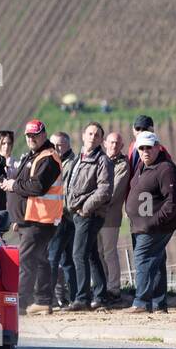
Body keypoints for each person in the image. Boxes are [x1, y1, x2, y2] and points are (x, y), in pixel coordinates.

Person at [0, 120, 63, 314]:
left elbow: (37, 186)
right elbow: (25, 182)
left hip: (41, 220)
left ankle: (19, 304)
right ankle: (43, 300)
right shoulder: (33, 156)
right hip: (31, 219)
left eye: (35, 135)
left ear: (44, 135)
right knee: (40, 259)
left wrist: (13, 186)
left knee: (26, 261)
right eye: (28, 136)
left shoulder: (48, 158)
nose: (31, 139)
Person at [124, 132, 176, 314]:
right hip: (142, 225)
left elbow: (172, 202)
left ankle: (141, 302)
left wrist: (152, 222)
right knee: (156, 262)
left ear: (158, 147)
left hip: (156, 226)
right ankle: (159, 304)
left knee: (142, 258)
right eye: (141, 148)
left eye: (149, 147)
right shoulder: (143, 166)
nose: (145, 151)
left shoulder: (166, 169)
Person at [64, 122, 112, 311]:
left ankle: (82, 299)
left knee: (78, 254)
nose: (93, 137)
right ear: (83, 135)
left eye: (97, 135)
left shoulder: (102, 160)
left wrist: (85, 208)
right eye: (90, 133)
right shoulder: (79, 158)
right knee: (91, 254)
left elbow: (105, 190)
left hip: (89, 214)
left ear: (101, 139)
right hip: (76, 213)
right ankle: (100, 296)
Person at [97, 131, 131, 306]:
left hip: (110, 217)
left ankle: (114, 289)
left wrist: (92, 200)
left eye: (117, 143)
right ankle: (101, 286)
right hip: (95, 214)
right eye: (111, 143)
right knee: (98, 253)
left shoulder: (122, 165)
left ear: (122, 146)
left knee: (109, 252)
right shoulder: (101, 160)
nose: (114, 146)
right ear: (104, 143)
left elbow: (113, 191)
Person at [46, 132, 78, 307]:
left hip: (63, 216)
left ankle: (47, 299)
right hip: (60, 216)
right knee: (67, 260)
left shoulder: (71, 164)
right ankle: (74, 297)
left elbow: (64, 191)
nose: (56, 148)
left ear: (67, 144)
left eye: (60, 145)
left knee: (53, 258)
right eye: (53, 145)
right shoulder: (55, 162)